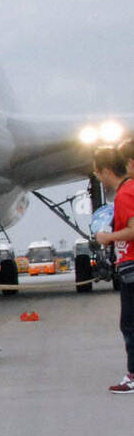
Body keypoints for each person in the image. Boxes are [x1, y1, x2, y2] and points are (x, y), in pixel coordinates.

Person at [92, 146, 134, 394]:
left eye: (97, 172)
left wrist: (107, 237)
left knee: (129, 324)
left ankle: (133, 375)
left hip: (131, 264)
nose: (97, 177)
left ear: (107, 170)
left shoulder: (125, 194)